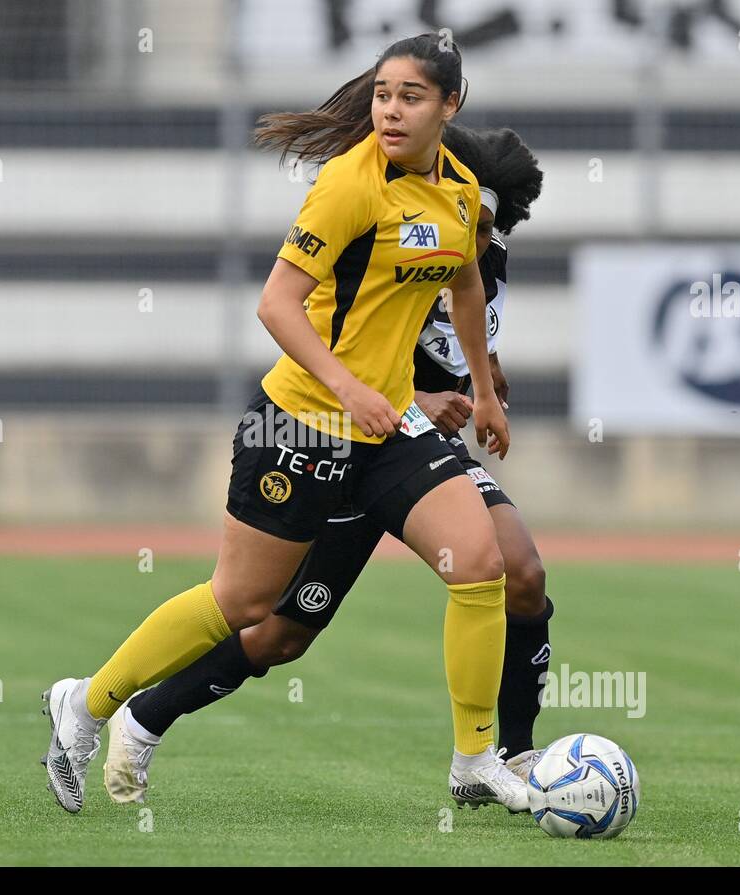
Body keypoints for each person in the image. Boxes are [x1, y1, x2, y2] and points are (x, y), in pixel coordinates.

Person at [42, 33, 523, 815]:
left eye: (411, 97)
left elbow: (465, 281)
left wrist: (483, 387)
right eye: (382, 95)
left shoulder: (459, 191)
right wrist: (347, 387)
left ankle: (475, 760)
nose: (391, 112)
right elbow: (275, 303)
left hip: (391, 427)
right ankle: (88, 703)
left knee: (479, 563)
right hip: (301, 425)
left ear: (450, 107)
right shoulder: (347, 184)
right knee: (240, 604)